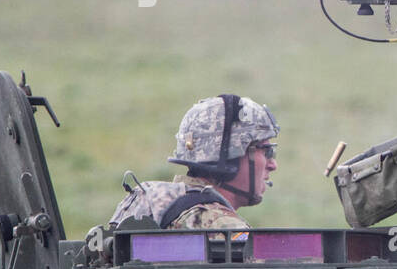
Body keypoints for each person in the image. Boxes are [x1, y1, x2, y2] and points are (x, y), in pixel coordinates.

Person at [108, 94, 279, 231]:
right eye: (266, 151)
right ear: (232, 156)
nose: (272, 164)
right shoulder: (222, 226)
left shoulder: (148, 200)